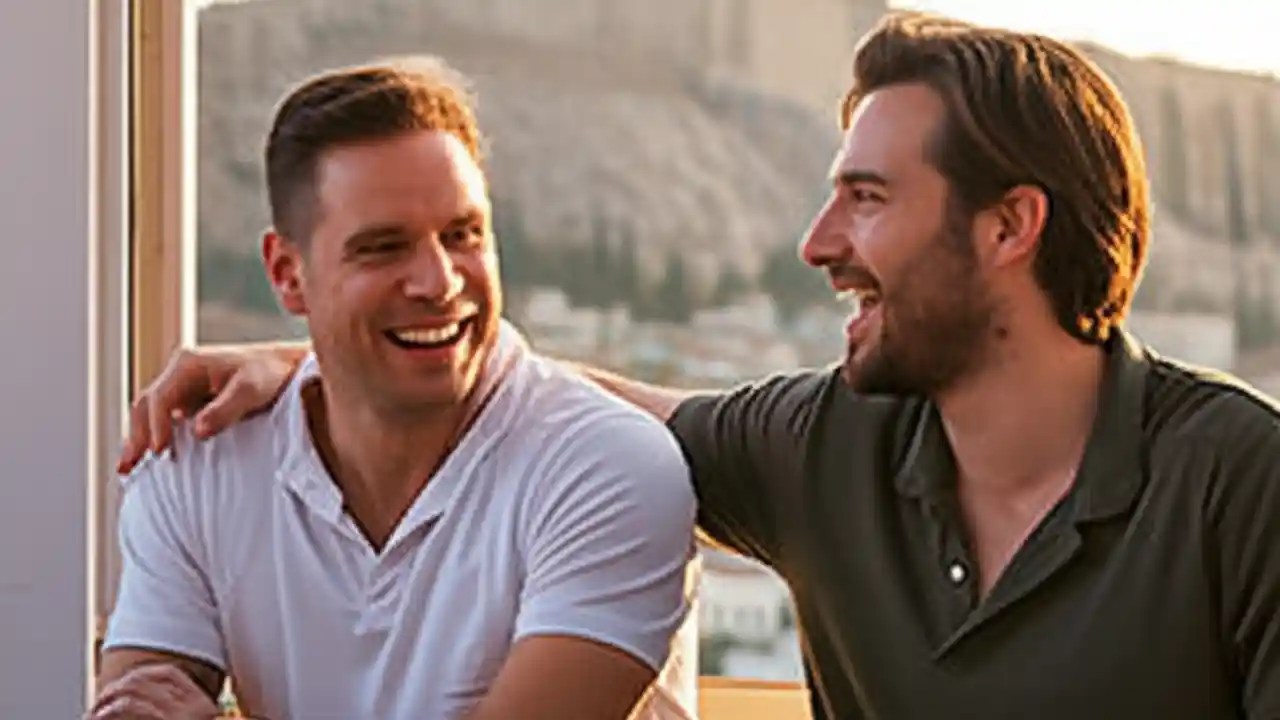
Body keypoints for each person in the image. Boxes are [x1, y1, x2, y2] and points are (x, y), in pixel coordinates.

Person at [118, 12, 1280, 720]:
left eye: (866, 198)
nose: (815, 243)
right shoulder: (823, 452)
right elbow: (541, 393)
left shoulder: (1238, 484)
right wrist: (316, 356)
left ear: (1007, 226)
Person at [95, 57, 699, 720]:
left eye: (463, 235)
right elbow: (135, 706)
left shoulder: (609, 467)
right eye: (383, 247)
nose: (439, 282)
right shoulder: (200, 460)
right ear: (288, 273)